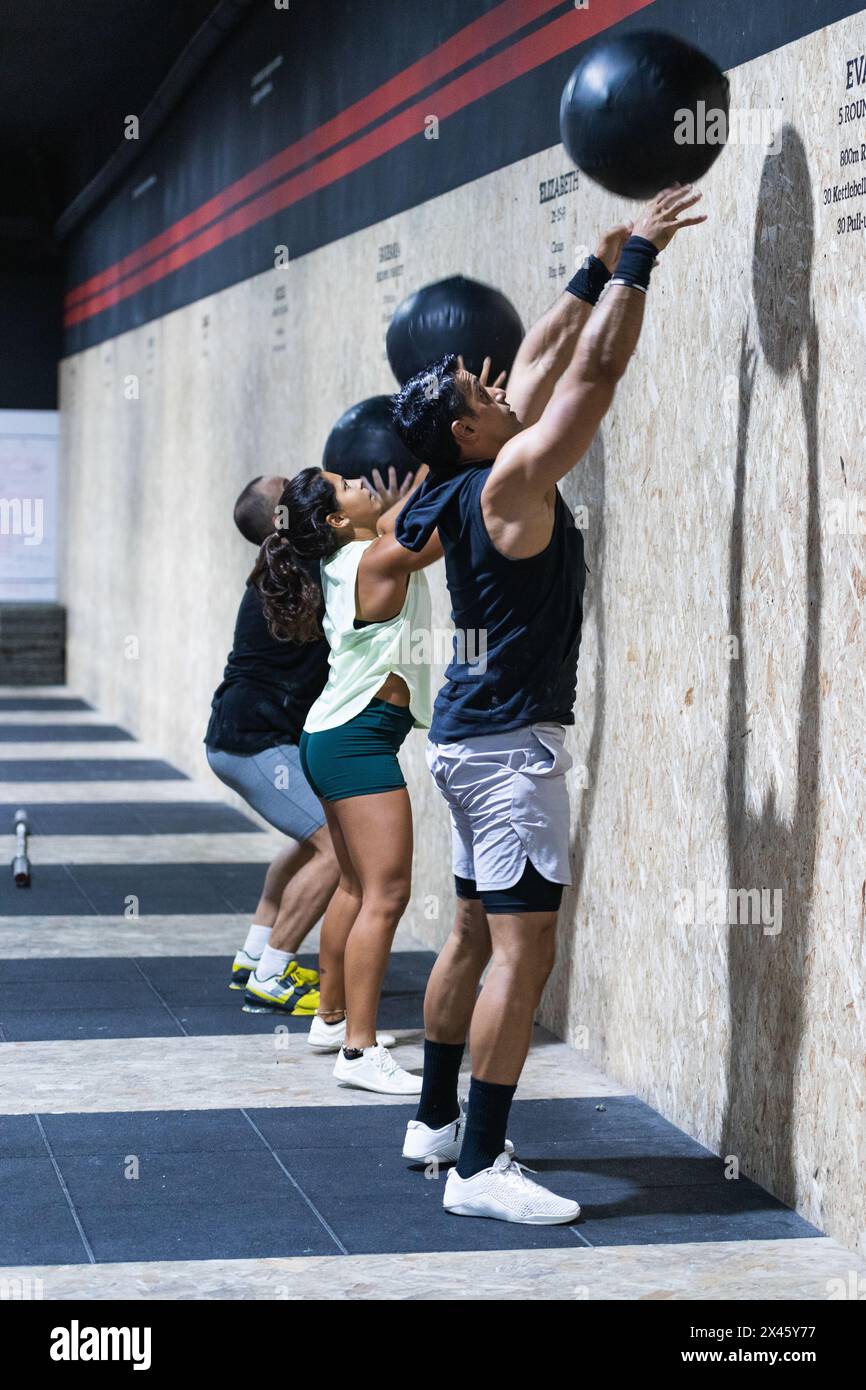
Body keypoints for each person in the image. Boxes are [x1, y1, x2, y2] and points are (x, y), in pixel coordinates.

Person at [392, 188, 706, 1222]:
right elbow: (593, 372)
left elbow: (534, 362)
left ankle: (435, 1121)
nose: (497, 385)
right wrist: (641, 262)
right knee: (524, 960)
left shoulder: (450, 483)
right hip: (509, 752)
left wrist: (588, 262)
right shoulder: (505, 484)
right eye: (478, 394)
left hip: (462, 744)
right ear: (463, 427)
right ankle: (478, 1169)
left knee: (472, 937)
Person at [250, 461, 443, 1094]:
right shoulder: (376, 561)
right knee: (386, 895)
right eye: (349, 486)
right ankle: (359, 1054)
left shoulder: (352, 555)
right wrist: (476, 451)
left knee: (357, 889)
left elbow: (391, 522)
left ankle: (332, 1020)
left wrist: (397, 497)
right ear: (337, 519)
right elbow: (449, 526)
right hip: (356, 742)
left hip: (332, 736)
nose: (362, 482)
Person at [205, 475, 337, 1017]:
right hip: (252, 743)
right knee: (338, 849)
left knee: (313, 840)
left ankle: (255, 952)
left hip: (240, 738)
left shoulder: (279, 568)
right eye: (290, 488)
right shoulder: (302, 568)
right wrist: (427, 469)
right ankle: (273, 974)